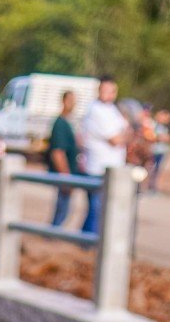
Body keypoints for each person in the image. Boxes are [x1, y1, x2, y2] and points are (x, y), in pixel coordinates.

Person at [78, 77, 129, 236]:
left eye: (111, 91)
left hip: (113, 167)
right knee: (96, 209)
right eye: (104, 90)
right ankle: (87, 243)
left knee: (103, 210)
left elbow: (126, 133)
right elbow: (116, 139)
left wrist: (123, 136)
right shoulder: (95, 110)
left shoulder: (112, 110)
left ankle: (88, 242)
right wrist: (122, 136)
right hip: (98, 168)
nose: (108, 94)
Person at [47, 90, 83, 228]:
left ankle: (53, 233)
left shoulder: (68, 123)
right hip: (65, 173)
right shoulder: (60, 124)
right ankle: (52, 233)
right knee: (63, 207)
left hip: (69, 172)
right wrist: (65, 176)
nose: (72, 104)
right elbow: (57, 152)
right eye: (70, 100)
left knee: (65, 206)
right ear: (63, 101)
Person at [146, 108, 170, 192]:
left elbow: (168, 138)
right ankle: (146, 187)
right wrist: (159, 137)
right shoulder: (152, 125)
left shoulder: (164, 128)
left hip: (161, 151)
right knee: (150, 169)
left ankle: (152, 186)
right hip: (153, 151)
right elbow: (150, 136)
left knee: (157, 170)